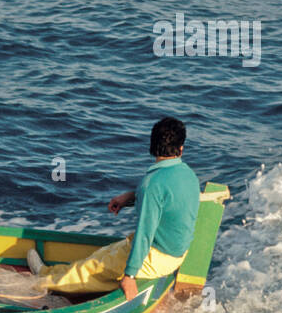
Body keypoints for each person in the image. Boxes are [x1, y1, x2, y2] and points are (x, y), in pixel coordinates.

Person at [26, 117, 200, 299]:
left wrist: (130, 275)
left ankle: (38, 284)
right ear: (181, 148)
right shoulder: (187, 174)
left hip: (156, 257)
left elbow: (144, 234)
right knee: (103, 254)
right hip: (175, 254)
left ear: (152, 146)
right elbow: (169, 201)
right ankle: (47, 271)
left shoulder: (152, 184)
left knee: (91, 270)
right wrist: (132, 197)